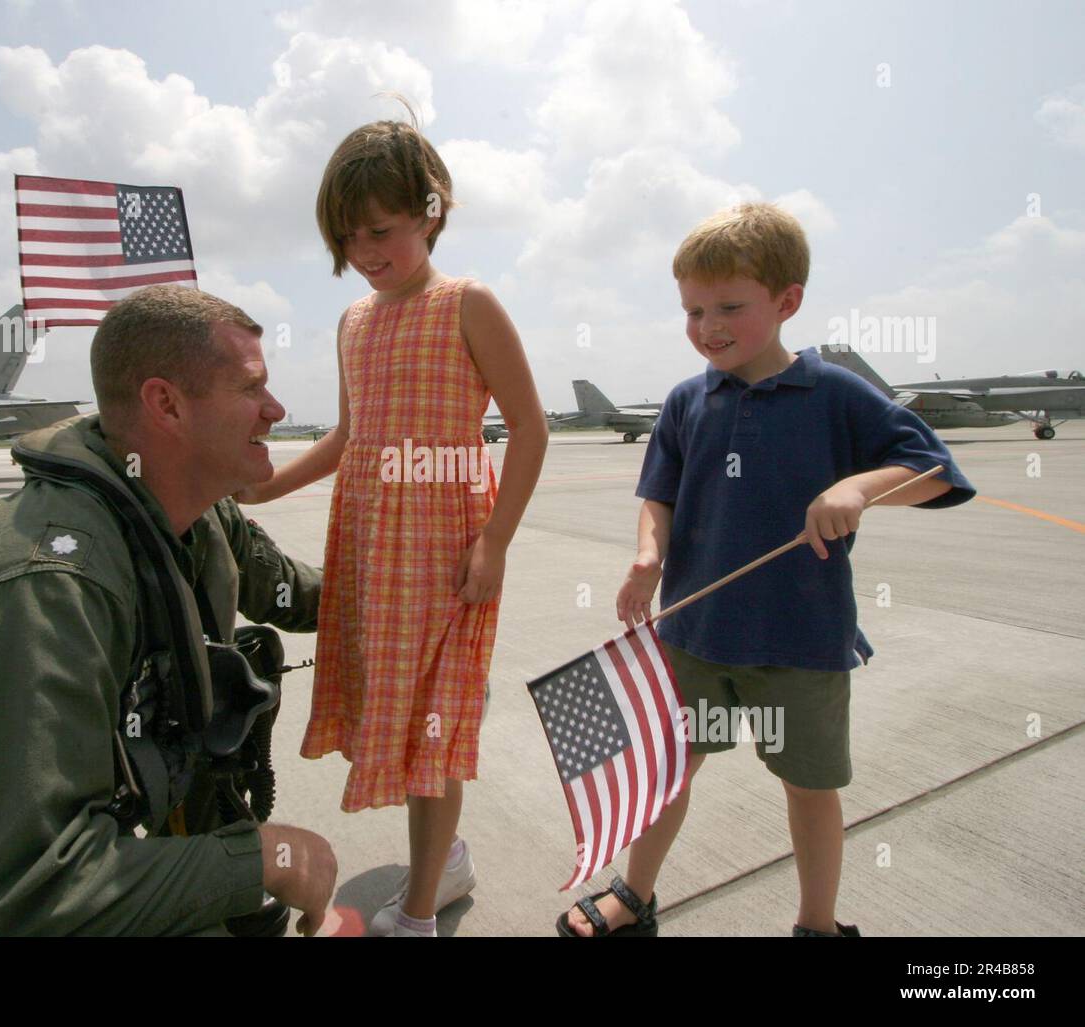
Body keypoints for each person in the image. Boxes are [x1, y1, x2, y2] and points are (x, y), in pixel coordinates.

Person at [0, 285, 338, 936]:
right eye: (252, 388)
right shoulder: (40, 588)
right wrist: (262, 860)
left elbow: (291, 592)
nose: (275, 409)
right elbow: (17, 896)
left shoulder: (196, 510)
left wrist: (418, 578)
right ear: (166, 405)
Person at [558, 203, 976, 938]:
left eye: (728, 307)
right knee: (666, 774)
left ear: (787, 302)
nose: (706, 326)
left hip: (801, 643)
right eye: (691, 310)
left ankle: (819, 922)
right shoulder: (687, 400)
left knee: (809, 786)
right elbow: (658, 493)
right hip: (694, 633)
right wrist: (649, 553)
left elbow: (934, 469)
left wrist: (858, 487)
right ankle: (635, 890)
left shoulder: (835, 393)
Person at [238, 105, 549, 936]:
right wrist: (270, 489)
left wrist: (497, 540)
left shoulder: (466, 303)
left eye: (380, 229)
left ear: (431, 210)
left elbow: (530, 426)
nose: (365, 253)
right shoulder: (353, 321)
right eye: (348, 239)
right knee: (406, 722)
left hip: (449, 550)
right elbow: (348, 435)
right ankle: (443, 860)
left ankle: (417, 909)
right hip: (375, 550)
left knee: (434, 725)